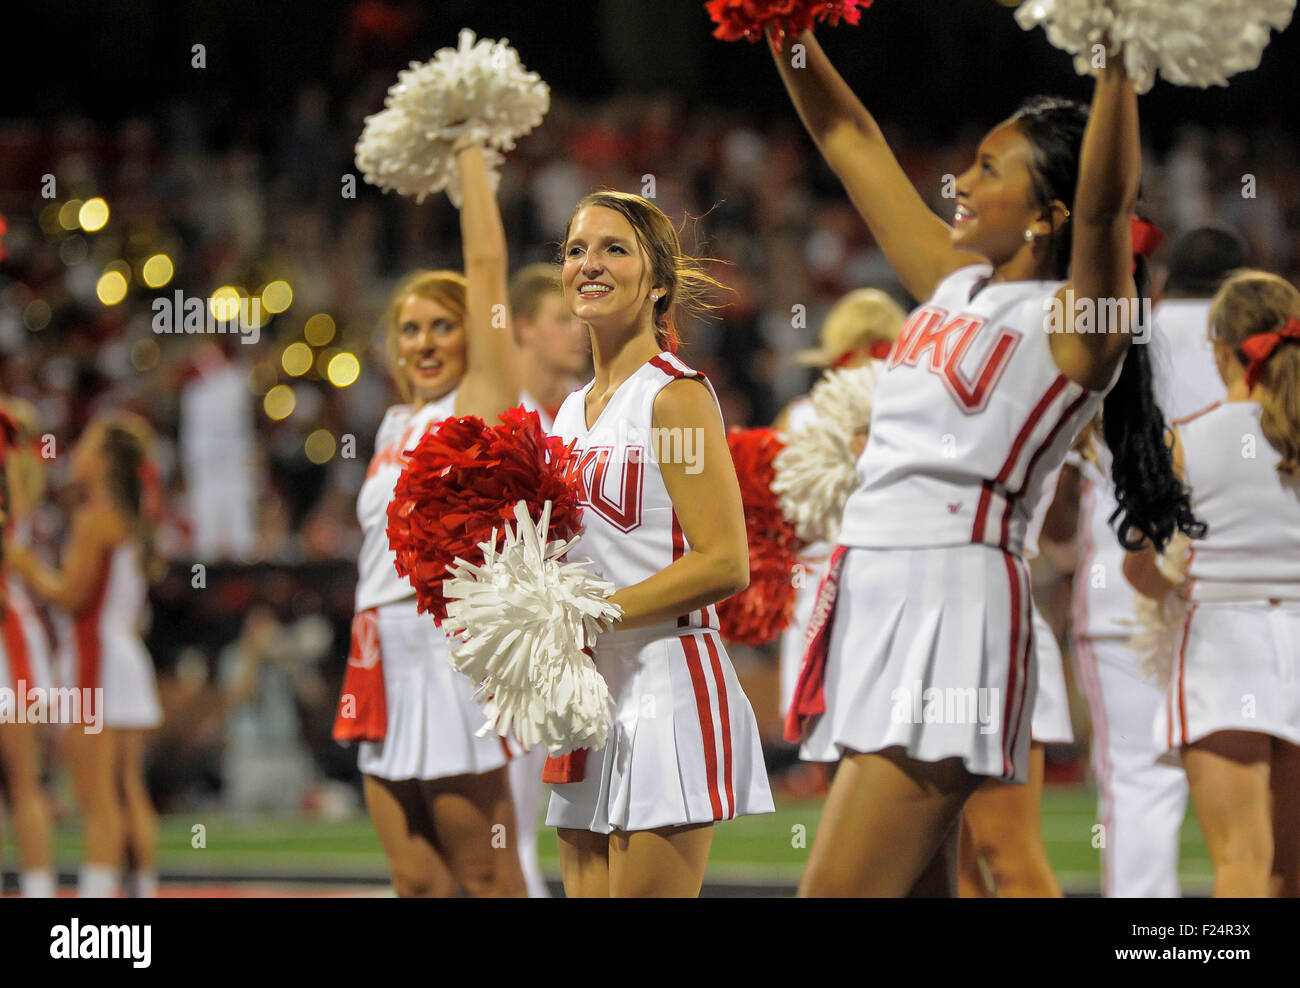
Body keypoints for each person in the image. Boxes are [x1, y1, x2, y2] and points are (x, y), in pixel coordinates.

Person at [772, 28, 1202, 895]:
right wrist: (787, 32)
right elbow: (851, 142)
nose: (960, 183)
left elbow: (1110, 207)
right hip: (874, 596)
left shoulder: (1080, 326)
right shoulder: (953, 283)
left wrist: (1116, 66)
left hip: (954, 605)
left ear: (1051, 212)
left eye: (989, 168)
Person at [547, 190, 774, 897]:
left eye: (615, 249)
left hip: (667, 676)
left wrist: (594, 613)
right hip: (586, 691)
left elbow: (724, 560)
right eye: (577, 249)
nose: (590, 263)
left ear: (659, 284)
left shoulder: (674, 396)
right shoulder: (567, 411)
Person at [334, 138, 527, 898]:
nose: (424, 343)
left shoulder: (475, 407)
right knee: (414, 880)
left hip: (447, 647)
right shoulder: (389, 427)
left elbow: (486, 267)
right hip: (376, 645)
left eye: (442, 326)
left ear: (474, 336)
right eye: (410, 329)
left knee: (483, 874)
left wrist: (469, 154)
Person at [1070, 226, 1245, 897]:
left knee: (1140, 780)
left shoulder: (1121, 333)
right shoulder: (1270, 345)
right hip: (1246, 588)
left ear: (1166, 281)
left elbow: (1068, 459)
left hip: (1128, 586)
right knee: (1262, 780)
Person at [1124, 270, 1300, 898]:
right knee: (1289, 872)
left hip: (1224, 650)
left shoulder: (1184, 442)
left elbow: (1142, 574)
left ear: (1220, 346)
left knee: (1242, 865)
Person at [8, 411, 164, 898]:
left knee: (95, 798)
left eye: (90, 445)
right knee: (126, 790)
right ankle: (143, 889)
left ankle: (95, 903)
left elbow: (71, 596)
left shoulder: (96, 518)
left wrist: (23, 565)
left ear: (105, 461)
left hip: (94, 663)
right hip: (123, 657)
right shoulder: (129, 516)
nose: (78, 453)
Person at [503, 261, 591, 897]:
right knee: (505, 826)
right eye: (562, 319)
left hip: (554, 644)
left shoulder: (568, 422)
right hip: (502, 644)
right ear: (523, 328)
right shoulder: (502, 420)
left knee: (535, 820)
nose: (577, 332)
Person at [0, 398, 56, 897]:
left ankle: (40, 893)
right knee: (24, 784)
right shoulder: (23, 469)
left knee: (23, 782)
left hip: (8, 635)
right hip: (14, 627)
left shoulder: (15, 471)